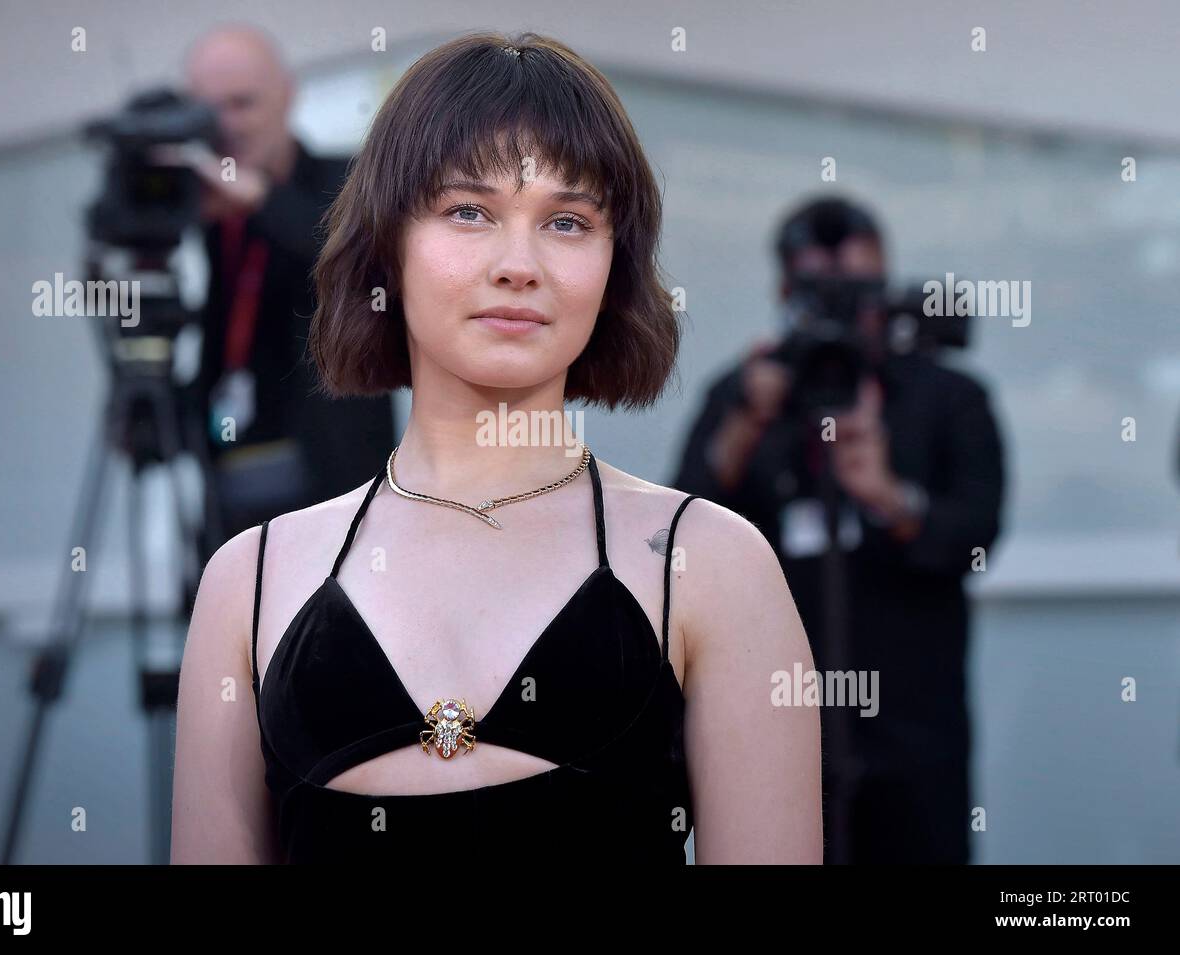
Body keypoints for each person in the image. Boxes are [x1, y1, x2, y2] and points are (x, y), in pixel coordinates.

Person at [170, 31, 822, 864]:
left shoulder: (711, 564)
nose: (519, 264)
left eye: (567, 220)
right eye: (468, 211)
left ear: (612, 264)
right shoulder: (250, 581)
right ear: (388, 249)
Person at [671, 196, 1006, 863]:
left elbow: (977, 537)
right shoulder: (743, 394)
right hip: (768, 721)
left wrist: (889, 495)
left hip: (913, 724)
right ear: (783, 291)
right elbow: (678, 544)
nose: (840, 310)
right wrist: (745, 424)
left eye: (855, 290)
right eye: (817, 290)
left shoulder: (948, 398)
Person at [179, 24, 395, 548]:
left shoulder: (350, 182)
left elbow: (357, 266)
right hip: (228, 487)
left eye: (242, 104)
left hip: (334, 489)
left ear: (288, 96)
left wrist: (259, 200)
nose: (226, 126)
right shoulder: (202, 211)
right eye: (210, 111)